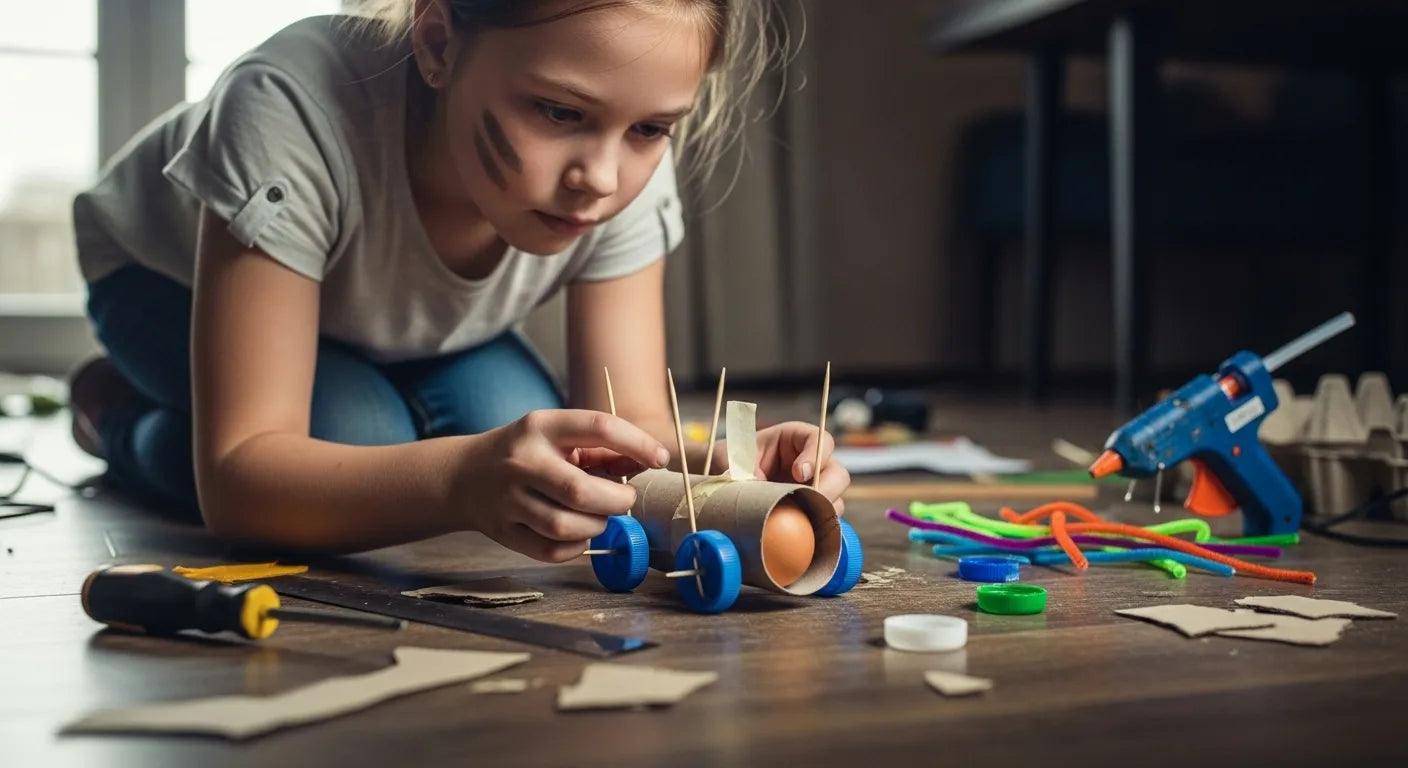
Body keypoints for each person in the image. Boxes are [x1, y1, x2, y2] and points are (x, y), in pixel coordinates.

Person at [67, 0, 849, 559]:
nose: (602, 179)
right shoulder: (286, 108)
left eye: (649, 129)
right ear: (438, 42)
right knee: (359, 440)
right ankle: (118, 416)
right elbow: (242, 480)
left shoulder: (620, 163)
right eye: (556, 111)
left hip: (411, 319)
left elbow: (630, 424)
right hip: (164, 281)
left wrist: (722, 472)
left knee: (540, 447)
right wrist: (454, 483)